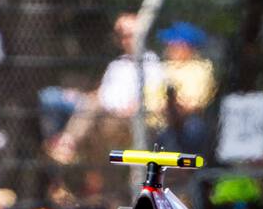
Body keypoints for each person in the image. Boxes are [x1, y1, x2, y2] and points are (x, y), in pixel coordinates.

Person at [45, 12, 161, 165]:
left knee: (91, 108)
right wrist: (78, 95)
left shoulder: (151, 64)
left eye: (131, 35)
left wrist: (132, 107)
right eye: (122, 35)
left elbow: (155, 99)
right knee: (49, 97)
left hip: (128, 121)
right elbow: (102, 93)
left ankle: (67, 144)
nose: (126, 40)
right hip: (103, 114)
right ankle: (65, 148)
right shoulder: (117, 64)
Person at [147, 22, 216, 152]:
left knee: (194, 130)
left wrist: (172, 107)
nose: (168, 46)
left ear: (184, 46)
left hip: (184, 124)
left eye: (172, 43)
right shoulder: (161, 67)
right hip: (155, 121)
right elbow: (150, 100)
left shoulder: (200, 69)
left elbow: (194, 104)